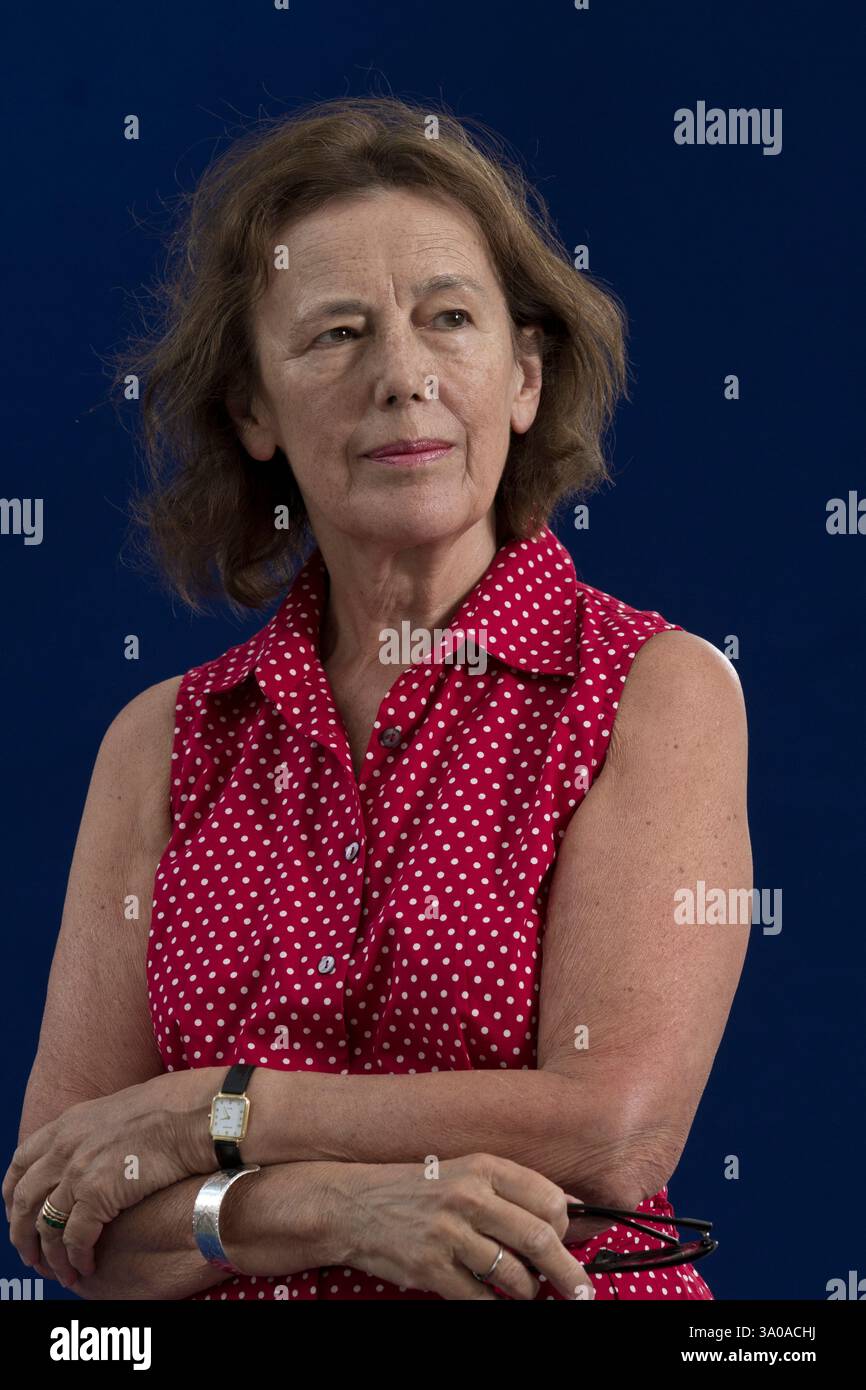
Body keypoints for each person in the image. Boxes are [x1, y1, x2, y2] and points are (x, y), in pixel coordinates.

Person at [4, 96, 751, 1301]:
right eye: (335, 333)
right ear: (252, 409)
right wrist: (323, 1207)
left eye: (446, 319)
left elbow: (611, 1128)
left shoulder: (652, 689)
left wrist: (211, 1112)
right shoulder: (158, 743)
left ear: (521, 376)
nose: (401, 376)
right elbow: (62, 1198)